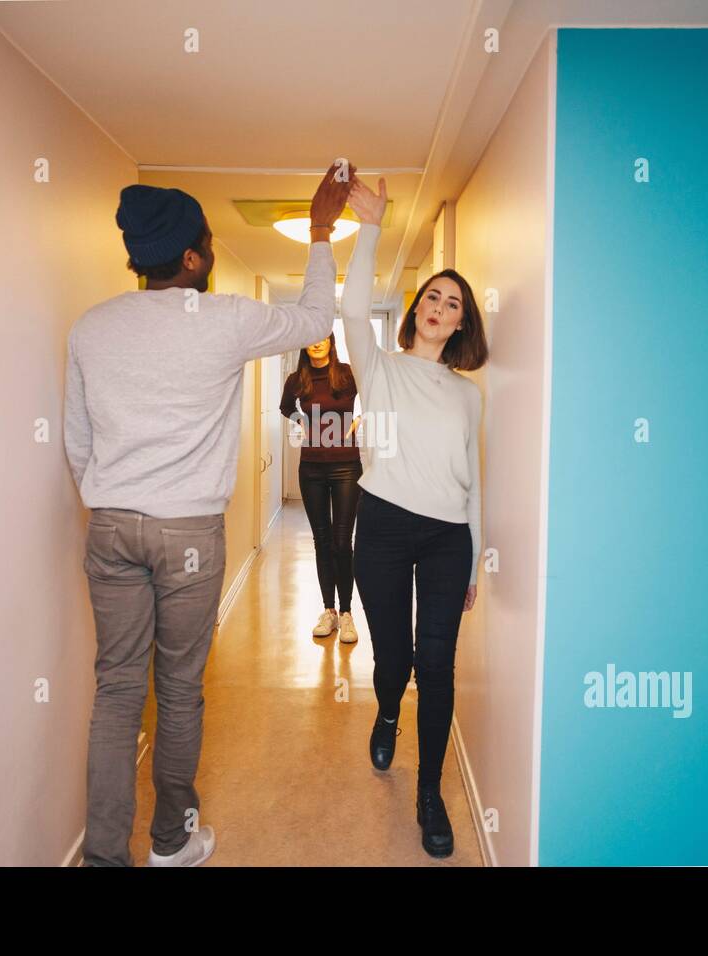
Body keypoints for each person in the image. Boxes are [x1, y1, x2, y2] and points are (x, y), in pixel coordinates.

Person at [63, 163, 355, 867]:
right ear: (191, 258)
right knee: (180, 690)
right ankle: (171, 842)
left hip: (110, 525)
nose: (215, 252)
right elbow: (317, 319)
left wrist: (113, 499)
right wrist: (319, 231)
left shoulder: (92, 327)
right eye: (210, 243)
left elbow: (77, 443)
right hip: (187, 531)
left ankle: (105, 859)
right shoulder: (224, 318)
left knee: (116, 692)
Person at [341, 174, 488, 858]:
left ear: (462, 322)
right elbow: (349, 305)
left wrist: (476, 554)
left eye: (451, 302)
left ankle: (430, 795)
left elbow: (472, 478)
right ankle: (388, 709)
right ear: (416, 311)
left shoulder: (469, 396)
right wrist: (369, 226)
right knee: (394, 657)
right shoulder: (381, 368)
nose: (439, 305)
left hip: (446, 537)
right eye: (432, 295)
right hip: (384, 526)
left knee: (439, 664)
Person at [280, 333, 363, 643]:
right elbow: (285, 406)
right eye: (311, 338)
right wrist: (300, 420)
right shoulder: (297, 379)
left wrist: (360, 421)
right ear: (305, 344)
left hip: (346, 466)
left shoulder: (347, 373)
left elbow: (380, 394)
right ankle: (328, 611)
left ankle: (347, 613)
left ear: (331, 342)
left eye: (322, 338)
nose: (316, 343)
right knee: (322, 541)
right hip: (311, 467)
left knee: (342, 542)